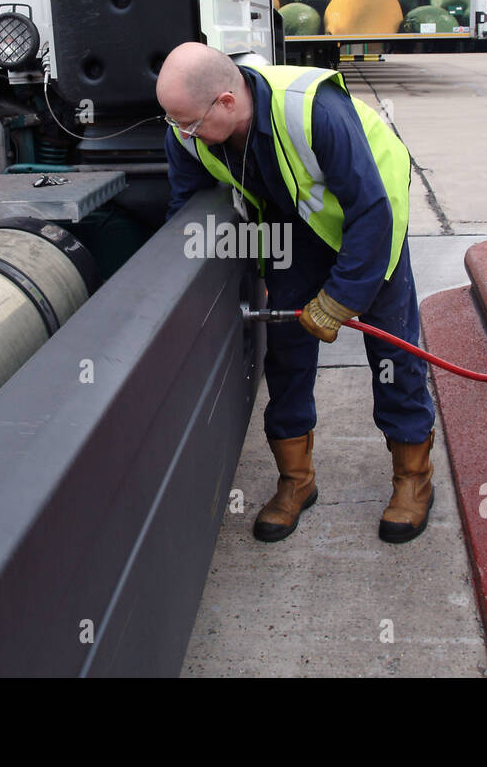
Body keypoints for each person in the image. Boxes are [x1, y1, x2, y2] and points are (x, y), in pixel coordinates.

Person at [155, 43, 436, 544]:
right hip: (295, 228)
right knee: (286, 352)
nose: (182, 134)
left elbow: (371, 210)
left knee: (394, 352)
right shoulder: (187, 130)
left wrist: (339, 299)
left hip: (372, 218)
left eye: (190, 124)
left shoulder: (313, 109)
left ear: (226, 102)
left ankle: (413, 478)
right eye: (175, 122)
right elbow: (187, 209)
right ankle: (296, 481)